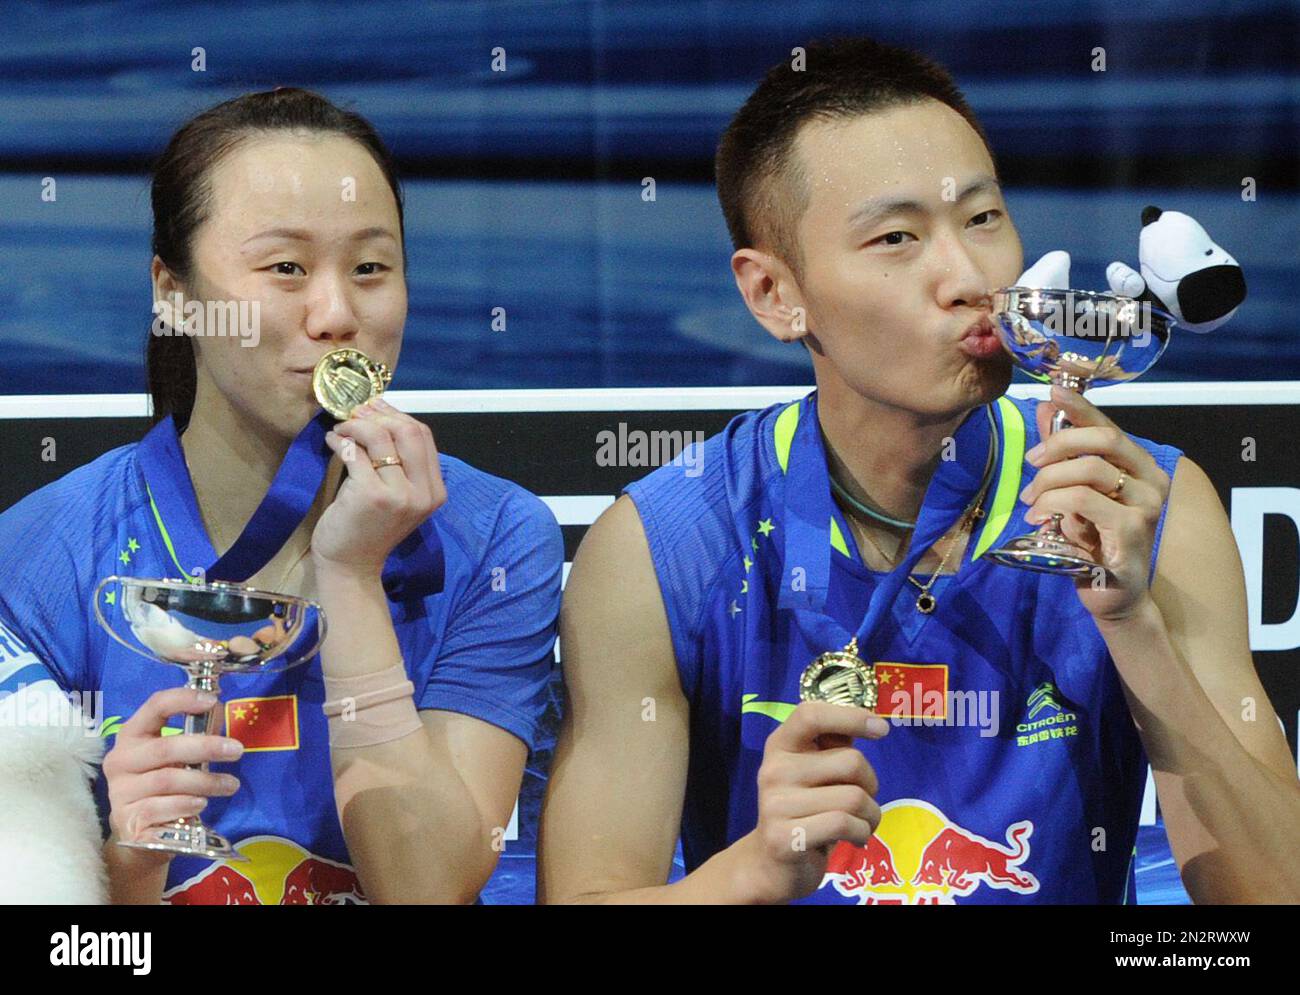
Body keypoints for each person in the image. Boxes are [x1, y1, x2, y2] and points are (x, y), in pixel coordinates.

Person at [539, 38, 1300, 904]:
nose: (971, 276)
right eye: (897, 237)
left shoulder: (1149, 511)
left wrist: (1135, 630)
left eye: (983, 218)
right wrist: (749, 874)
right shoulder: (661, 549)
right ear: (772, 294)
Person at [0, 88, 563, 904]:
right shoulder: (37, 556)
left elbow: (428, 885)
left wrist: (351, 575)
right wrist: (127, 863)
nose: (337, 313)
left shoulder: (499, 538)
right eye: (285, 268)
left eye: (370, 267)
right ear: (173, 292)